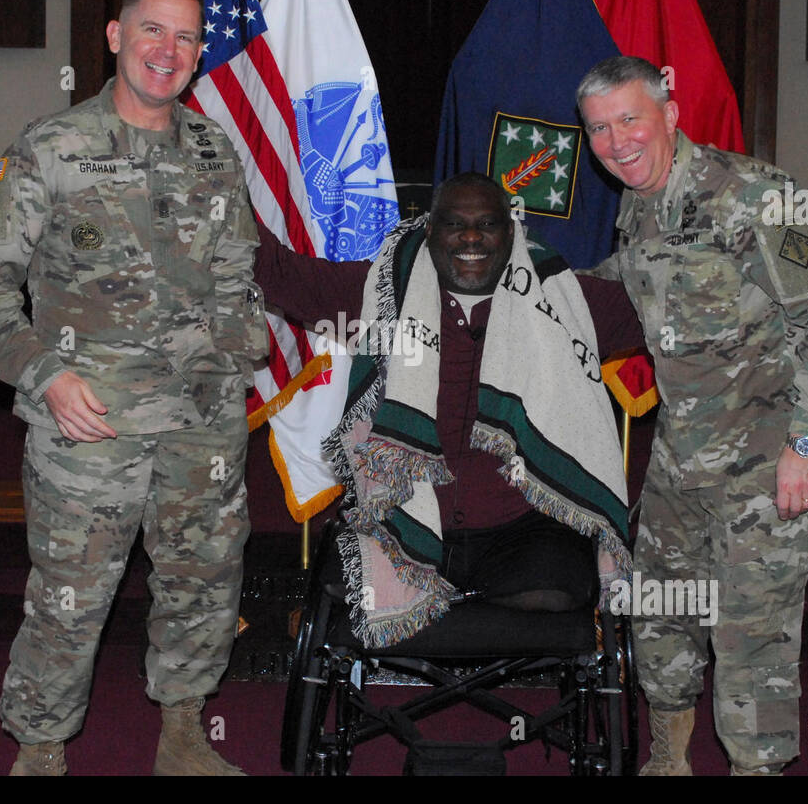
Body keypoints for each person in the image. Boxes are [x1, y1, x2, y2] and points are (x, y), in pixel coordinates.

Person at [0, 0, 267, 776]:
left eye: (186, 38)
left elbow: (238, 270)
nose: (168, 52)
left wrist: (236, 354)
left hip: (201, 420)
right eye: (152, 32)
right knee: (70, 596)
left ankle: (184, 736)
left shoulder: (213, 150)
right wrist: (45, 380)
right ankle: (40, 749)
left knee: (203, 583)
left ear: (201, 53)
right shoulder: (47, 148)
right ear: (114, 36)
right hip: (89, 424)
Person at [577, 55, 808, 775]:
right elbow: (629, 289)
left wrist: (806, 443)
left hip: (762, 472)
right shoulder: (640, 202)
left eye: (629, 120)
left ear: (671, 115)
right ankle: (668, 762)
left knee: (752, 648)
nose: (616, 142)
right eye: (598, 129)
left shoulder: (752, 197)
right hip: (681, 463)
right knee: (661, 621)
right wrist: (530, 293)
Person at [255, 172, 644, 647]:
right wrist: (223, 188)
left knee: (558, 591)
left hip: (522, 531)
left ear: (511, 231)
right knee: (343, 585)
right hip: (402, 517)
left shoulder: (563, 300)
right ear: (428, 230)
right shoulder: (381, 291)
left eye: (487, 223)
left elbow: (659, 306)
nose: (472, 237)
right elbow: (281, 274)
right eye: (454, 224)